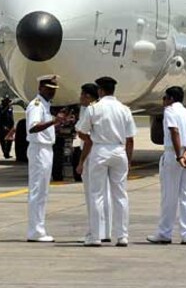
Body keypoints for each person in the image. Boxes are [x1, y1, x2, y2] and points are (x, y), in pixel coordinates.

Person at [76, 75, 136, 247]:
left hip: (100, 150)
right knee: (120, 195)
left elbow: (82, 132)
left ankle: (95, 236)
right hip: (119, 150)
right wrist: (128, 160)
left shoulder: (94, 109)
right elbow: (130, 139)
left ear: (100, 90)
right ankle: (122, 236)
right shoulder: (124, 109)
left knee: (97, 195)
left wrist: (88, 141)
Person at [147, 86, 186, 244]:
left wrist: (179, 156)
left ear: (170, 99)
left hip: (173, 155)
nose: (163, 101)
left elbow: (174, 131)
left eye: (165, 98)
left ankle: (165, 233)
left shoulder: (170, 111)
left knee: (169, 196)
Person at [25, 74, 68, 242]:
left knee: (42, 191)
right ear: (40, 88)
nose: (52, 92)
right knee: (38, 191)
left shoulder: (45, 105)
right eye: (49, 89)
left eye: (54, 89)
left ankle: (39, 229)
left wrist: (57, 123)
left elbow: (44, 128)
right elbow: (33, 127)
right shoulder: (36, 105)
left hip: (46, 149)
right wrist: (54, 121)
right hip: (39, 149)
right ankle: (35, 231)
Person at [75, 83, 112, 243]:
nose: (80, 97)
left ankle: (94, 232)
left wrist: (81, 161)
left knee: (93, 195)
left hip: (91, 154)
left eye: (82, 95)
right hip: (107, 151)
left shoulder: (90, 110)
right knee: (105, 193)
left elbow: (87, 139)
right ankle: (105, 231)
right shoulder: (105, 108)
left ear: (88, 96)